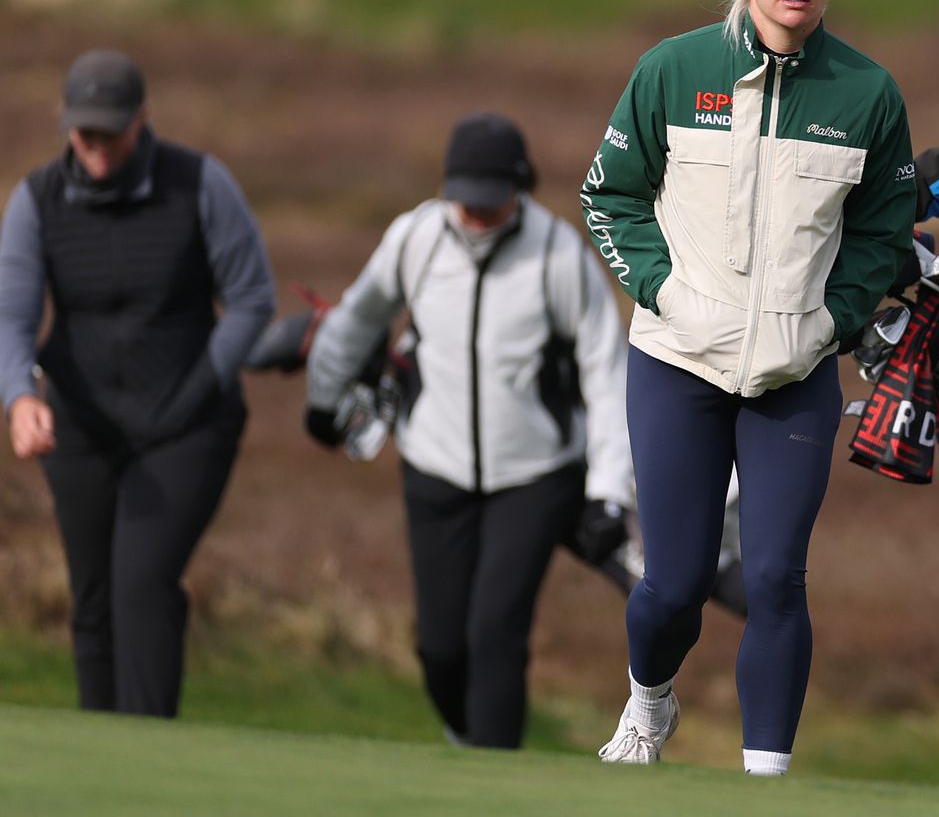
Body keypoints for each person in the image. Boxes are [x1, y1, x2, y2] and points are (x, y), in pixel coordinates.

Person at [581, 0, 915, 775]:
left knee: (773, 578)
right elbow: (608, 199)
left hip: (795, 373)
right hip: (676, 363)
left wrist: (834, 322)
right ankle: (649, 700)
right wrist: (664, 294)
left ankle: (765, 782)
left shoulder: (868, 95)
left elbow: (885, 232)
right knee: (674, 584)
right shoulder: (673, 70)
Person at [303, 113, 632, 749]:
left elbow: (606, 374)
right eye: (464, 201)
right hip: (434, 468)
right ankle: (470, 749)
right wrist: (323, 399)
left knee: (495, 634)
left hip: (535, 477)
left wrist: (608, 490)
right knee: (439, 646)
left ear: (520, 190)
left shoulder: (559, 254)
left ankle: (494, 781)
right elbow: (356, 318)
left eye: (490, 203)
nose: (475, 216)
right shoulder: (416, 238)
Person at [0, 49, 275, 717]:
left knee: (143, 583)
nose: (97, 148)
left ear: (142, 120)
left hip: (188, 423)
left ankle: (150, 746)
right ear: (66, 126)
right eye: (84, 134)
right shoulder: (36, 201)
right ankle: (105, 759)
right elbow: (12, 313)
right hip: (82, 426)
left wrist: (202, 384)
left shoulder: (201, 184)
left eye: (111, 132)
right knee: (93, 596)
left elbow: (252, 299)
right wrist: (20, 397)